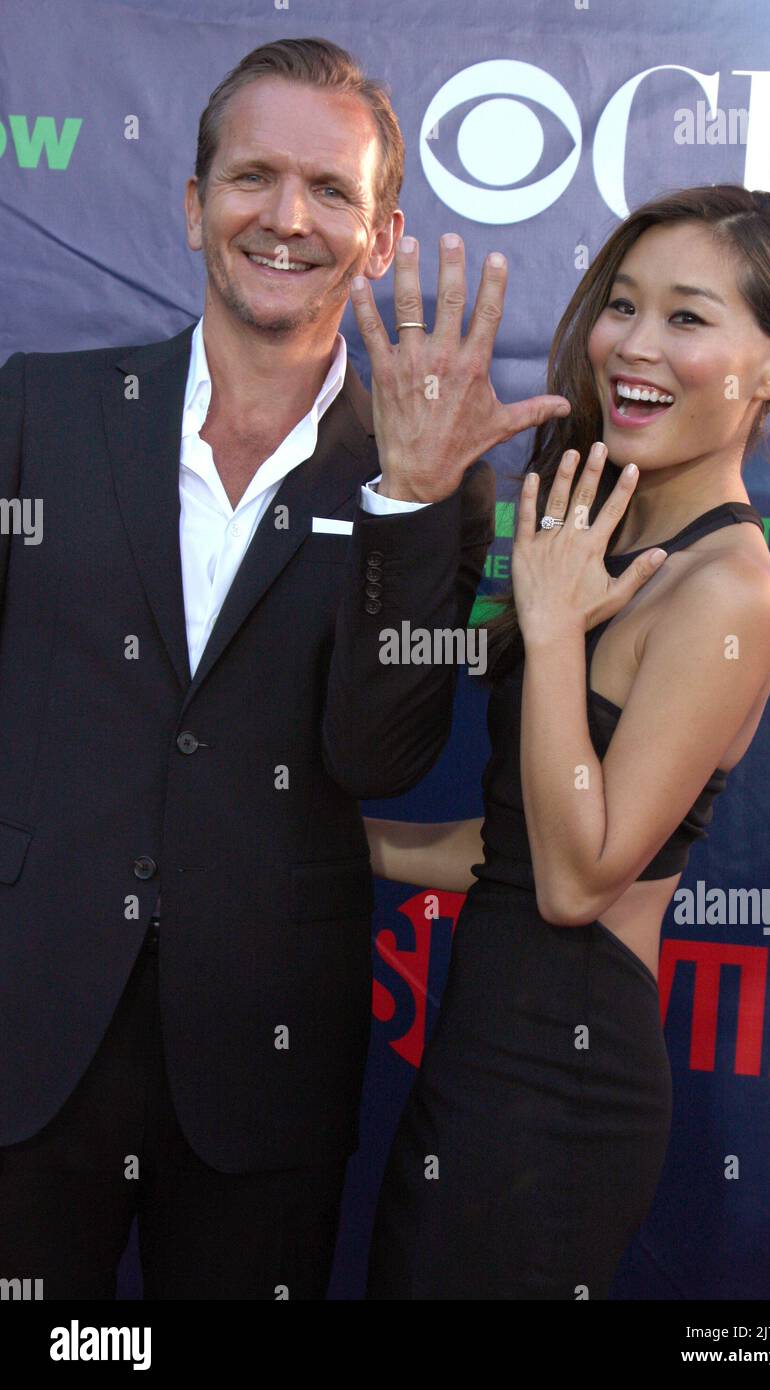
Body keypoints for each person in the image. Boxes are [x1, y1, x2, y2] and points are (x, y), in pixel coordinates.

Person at [0, 37, 571, 1300]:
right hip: (27, 1034)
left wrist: (412, 502)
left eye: (331, 191)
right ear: (194, 201)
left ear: (379, 238)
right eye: (254, 176)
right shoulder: (38, 410)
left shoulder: (428, 468)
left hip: (261, 1060)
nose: (287, 217)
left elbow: (376, 755)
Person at [361, 185, 770, 1299]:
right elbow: (518, 843)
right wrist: (342, 833)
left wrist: (549, 629)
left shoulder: (729, 594)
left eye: (686, 316)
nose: (631, 341)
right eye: (622, 304)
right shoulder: (596, 529)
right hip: (478, 1059)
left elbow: (577, 881)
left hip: (558, 1095)